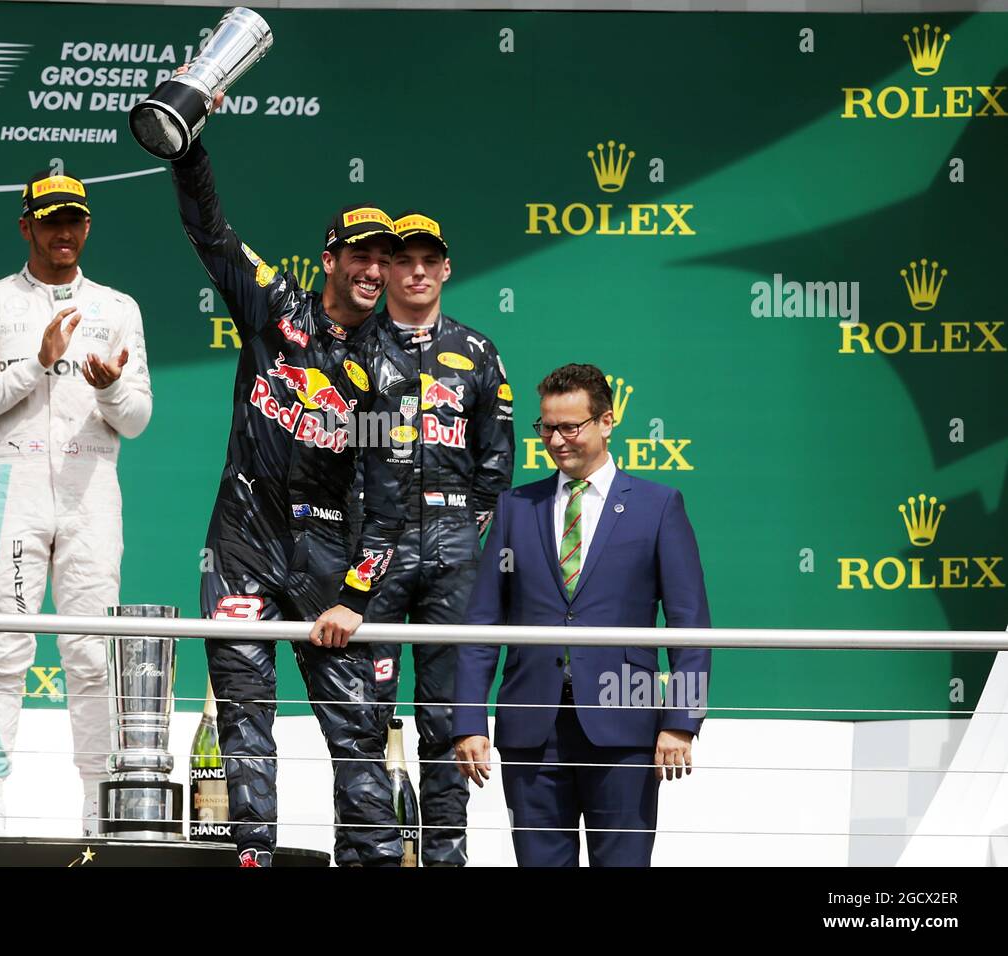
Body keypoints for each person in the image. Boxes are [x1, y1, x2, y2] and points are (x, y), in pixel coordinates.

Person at [165, 127, 418, 866]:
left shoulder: (391, 370)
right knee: (244, 726)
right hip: (241, 549)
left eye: (387, 258)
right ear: (330, 259)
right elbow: (209, 230)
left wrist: (356, 597)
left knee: (358, 735)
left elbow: (391, 497)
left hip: (329, 564)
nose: (376, 270)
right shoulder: (275, 309)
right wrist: (188, 149)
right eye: (363, 254)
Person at [0, 170, 153, 837]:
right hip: (17, 494)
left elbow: (140, 417)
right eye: (51, 220)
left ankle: (96, 806)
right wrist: (36, 364)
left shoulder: (119, 308)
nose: (64, 232)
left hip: (94, 494)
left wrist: (113, 389)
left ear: (87, 227)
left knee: (91, 655)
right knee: (6, 651)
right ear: (26, 225)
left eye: (76, 220)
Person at [452, 363, 710, 867]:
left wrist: (682, 720)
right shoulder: (514, 507)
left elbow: (690, 625)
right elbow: (481, 624)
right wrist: (468, 720)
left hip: (625, 728)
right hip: (531, 731)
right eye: (546, 427)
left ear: (606, 422)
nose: (556, 439)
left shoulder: (659, 506)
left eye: (570, 426)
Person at [358, 211, 514, 867]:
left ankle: (445, 852)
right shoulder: (354, 347)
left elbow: (496, 461)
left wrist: (460, 520)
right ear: (387, 270)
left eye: (429, 260)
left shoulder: (477, 351)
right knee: (362, 712)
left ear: (445, 268)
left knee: (449, 716)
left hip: (453, 551)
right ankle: (365, 849)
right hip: (372, 551)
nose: (417, 271)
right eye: (404, 260)